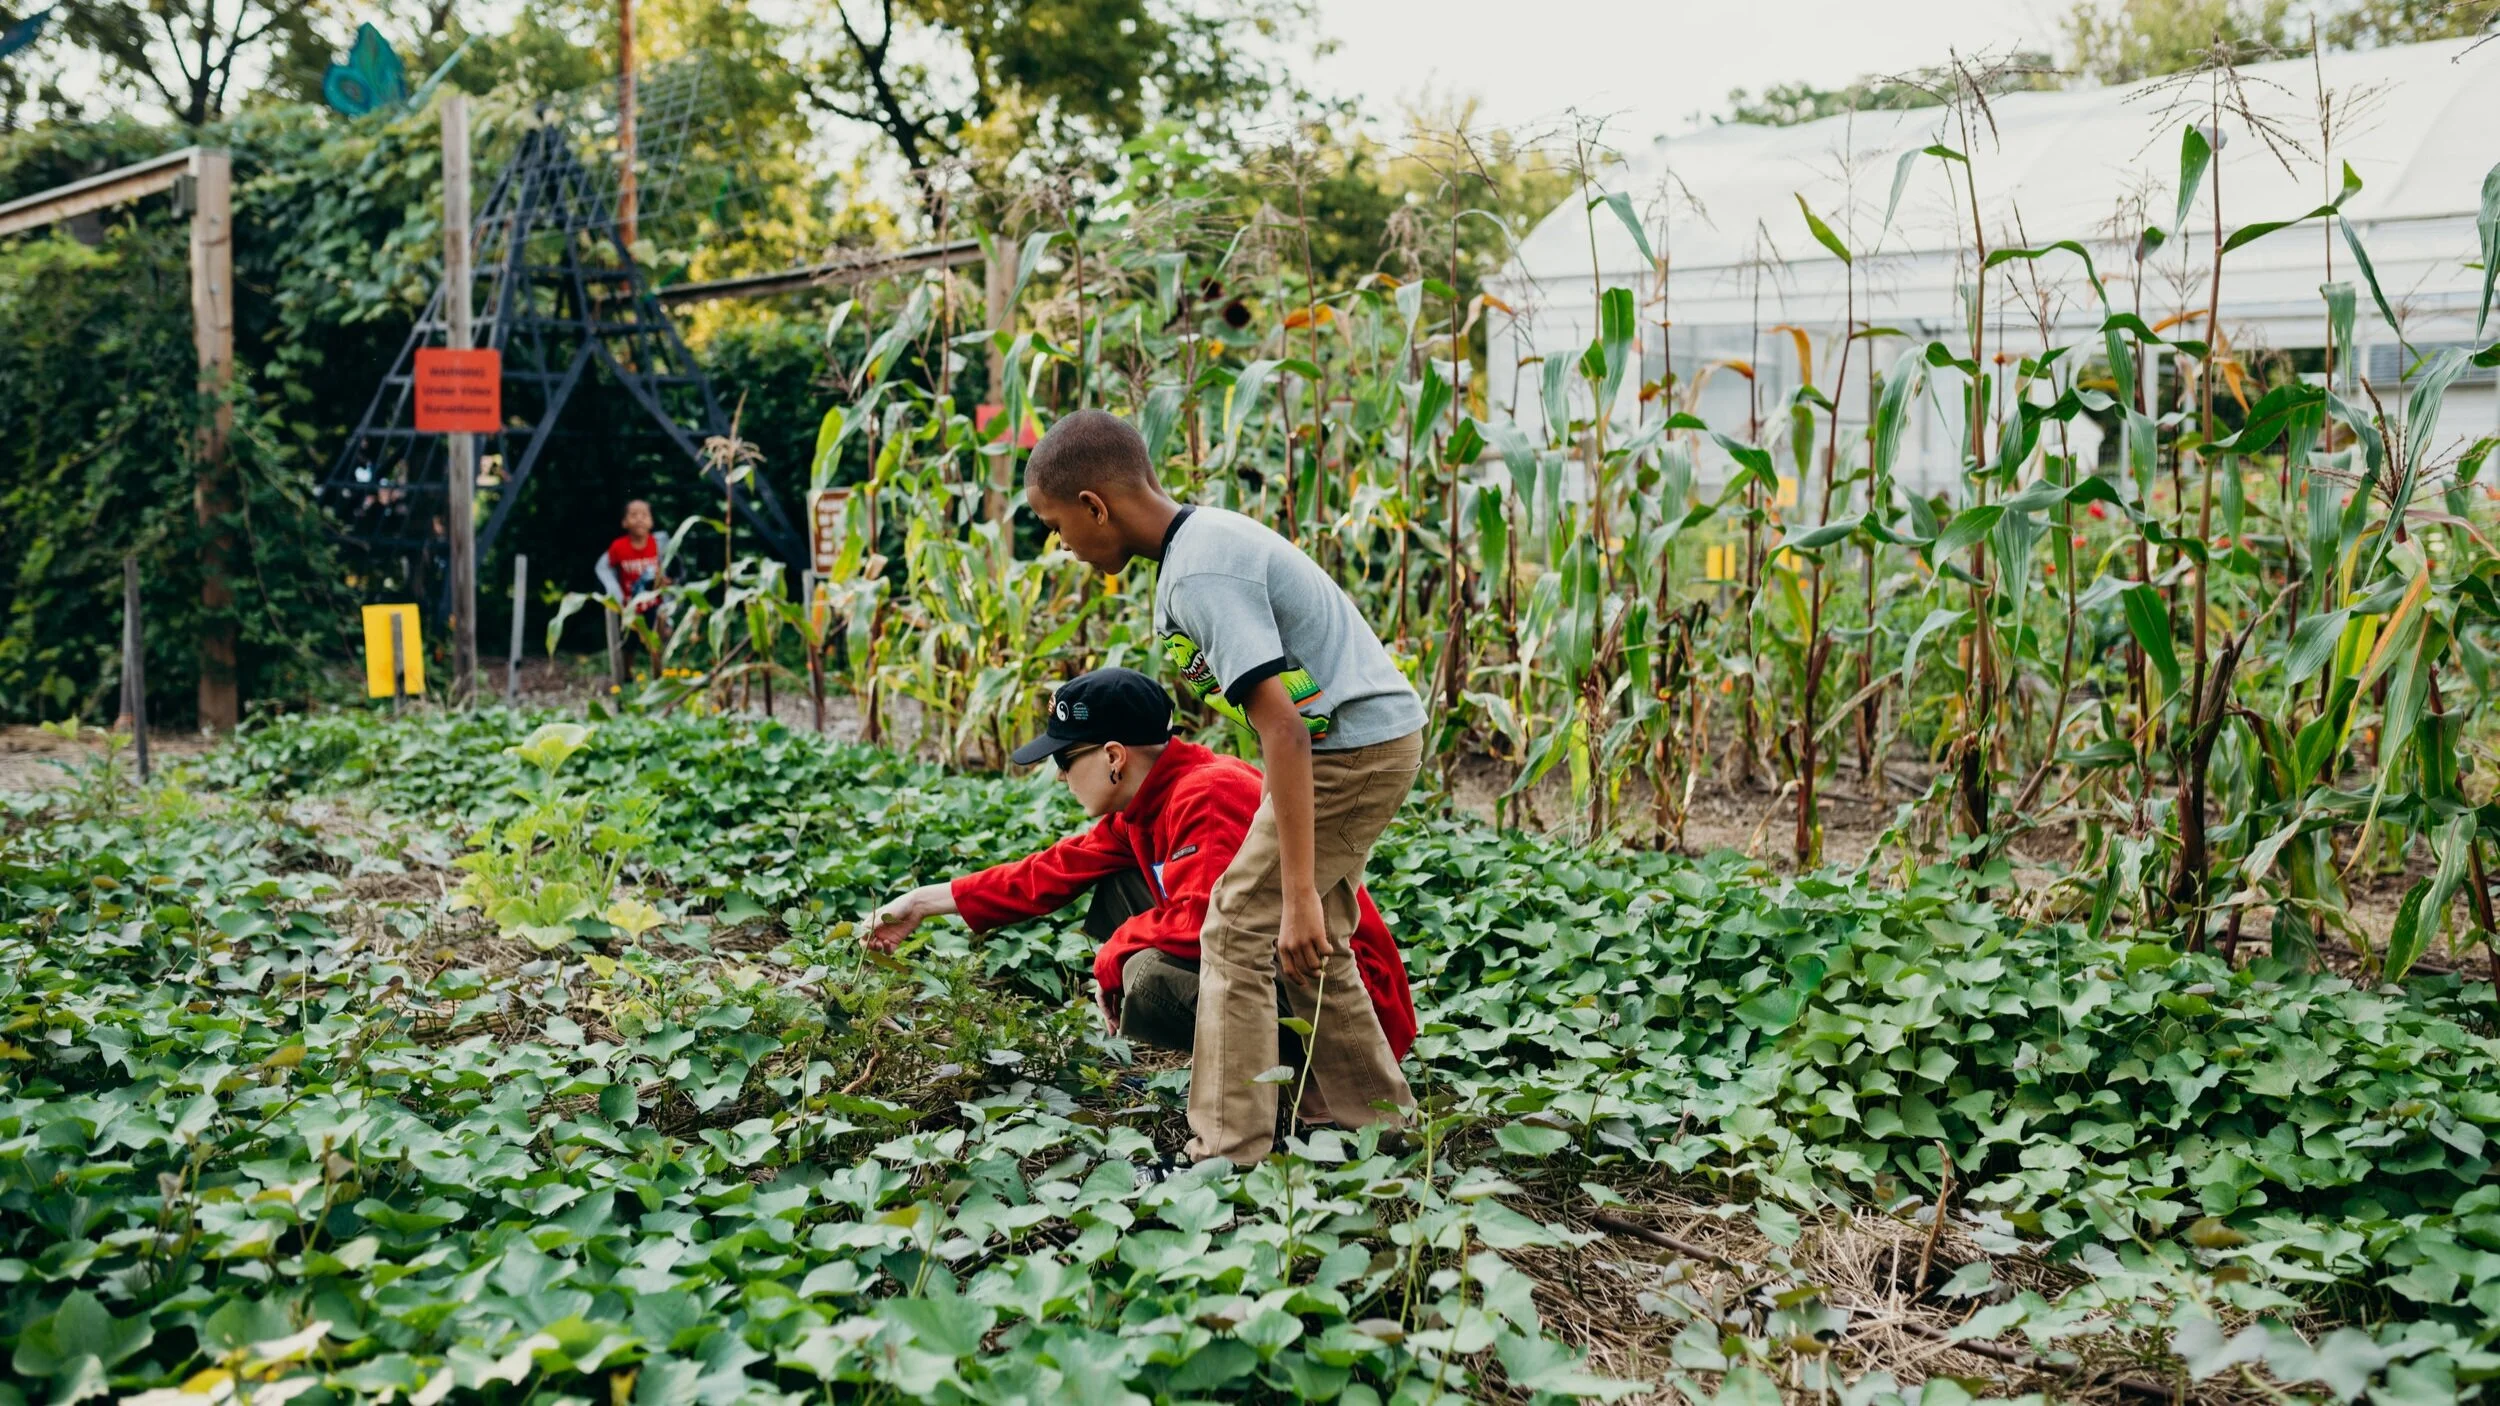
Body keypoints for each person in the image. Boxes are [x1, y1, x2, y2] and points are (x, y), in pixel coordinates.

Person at [1021, 410, 1425, 1174]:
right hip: (1357, 741)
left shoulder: (1202, 570)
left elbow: (1287, 729)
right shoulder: (1194, 552)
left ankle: (1227, 1154)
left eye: (1056, 524)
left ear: (1095, 506)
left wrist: (1299, 889)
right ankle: (1378, 1126)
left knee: (1236, 923)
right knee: (1312, 944)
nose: (1062, 544)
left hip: (1350, 748)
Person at [864, 669, 1417, 1121]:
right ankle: (1273, 1066)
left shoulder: (1209, 793)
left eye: (1063, 760)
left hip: (1339, 1001)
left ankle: (1307, 1080)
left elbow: (1212, 920)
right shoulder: (1149, 800)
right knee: (1119, 884)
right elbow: (1049, 872)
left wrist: (1111, 956)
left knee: (1147, 976)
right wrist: (920, 903)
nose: (1060, 777)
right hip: (1279, 969)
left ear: (1113, 756)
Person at [594, 500, 666, 613]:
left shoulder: (658, 544)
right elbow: (603, 567)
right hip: (630, 610)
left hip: (655, 607)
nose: (639, 519)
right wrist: (614, 592)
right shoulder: (618, 547)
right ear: (624, 522)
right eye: (633, 515)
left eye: (644, 515)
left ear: (651, 521)